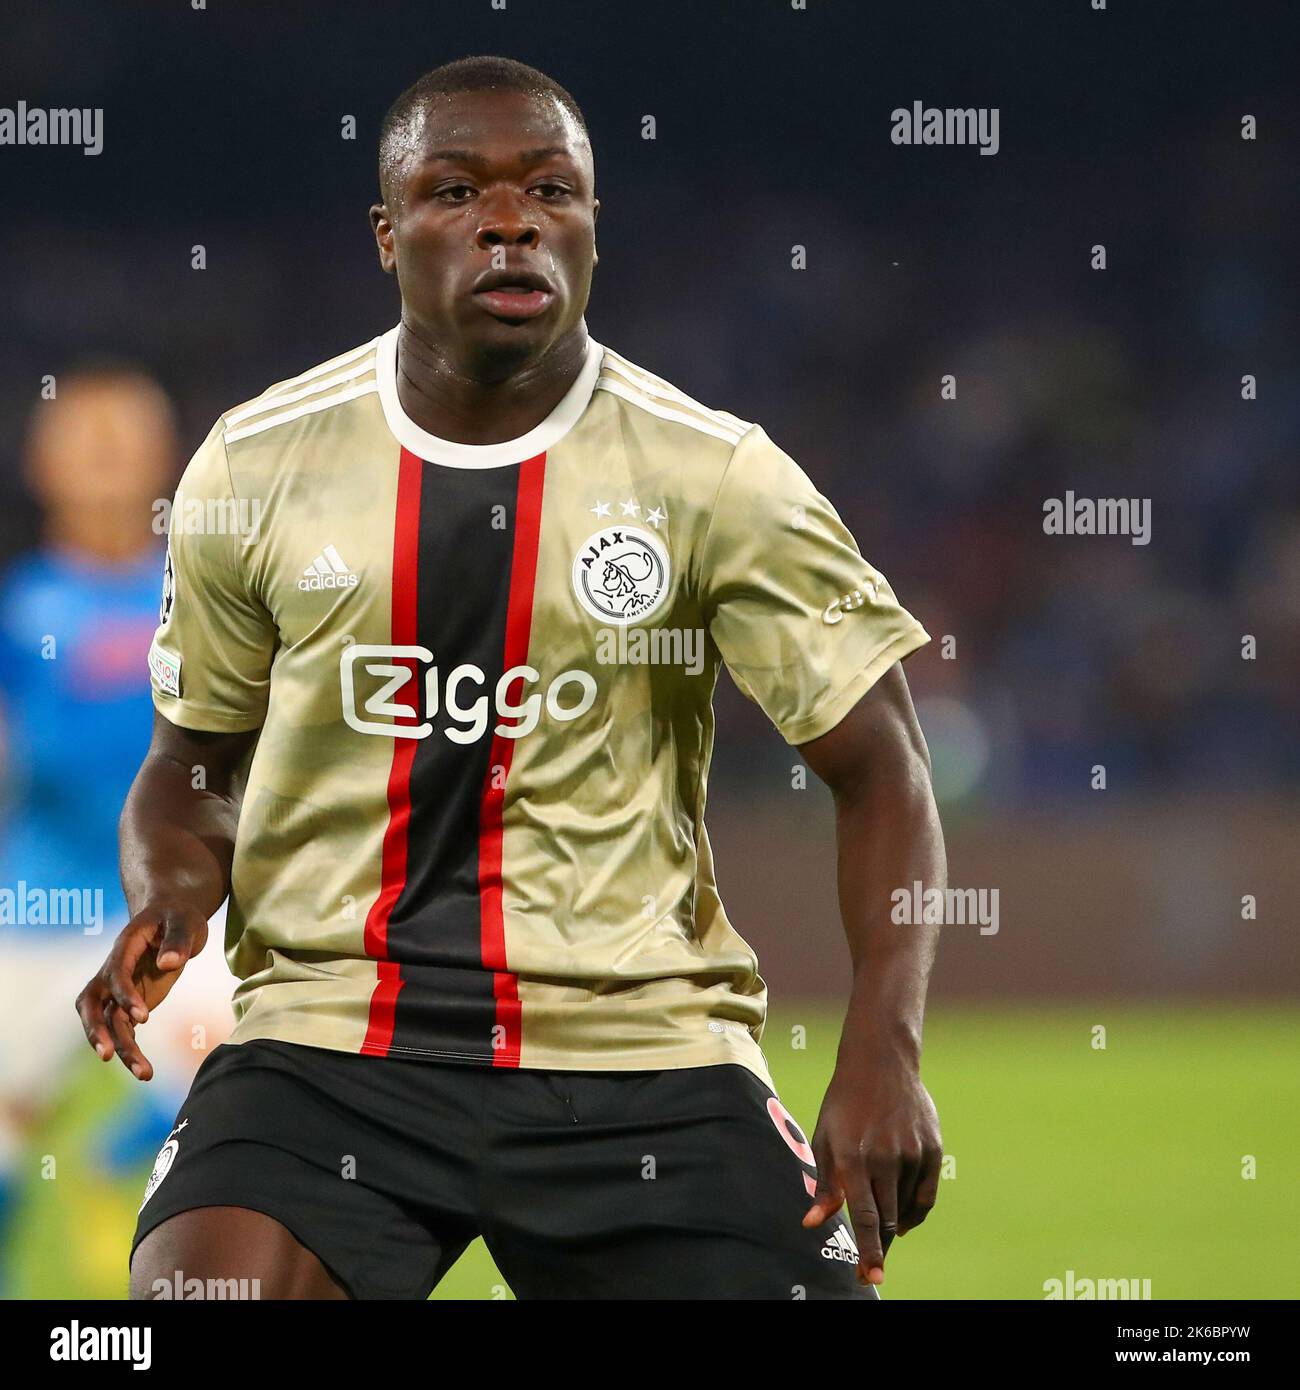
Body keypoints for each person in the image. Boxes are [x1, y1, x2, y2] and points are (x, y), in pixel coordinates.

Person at [77, 55, 947, 1301]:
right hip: (331, 1041)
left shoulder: (715, 477)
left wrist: (885, 1049)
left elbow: (885, 771)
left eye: (552, 189)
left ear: (591, 226)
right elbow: (192, 759)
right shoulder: (254, 463)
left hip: (639, 1049)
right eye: (455, 193)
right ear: (387, 236)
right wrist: (173, 889)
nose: (509, 219)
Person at [0, 367, 234, 1291]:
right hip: (36, 904)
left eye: (122, 433)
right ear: (36, 461)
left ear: (165, 457)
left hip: (175, 910)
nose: (101, 452)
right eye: (81, 432)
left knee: (241, 1080)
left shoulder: (199, 601)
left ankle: (147, 1170)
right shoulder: (22, 613)